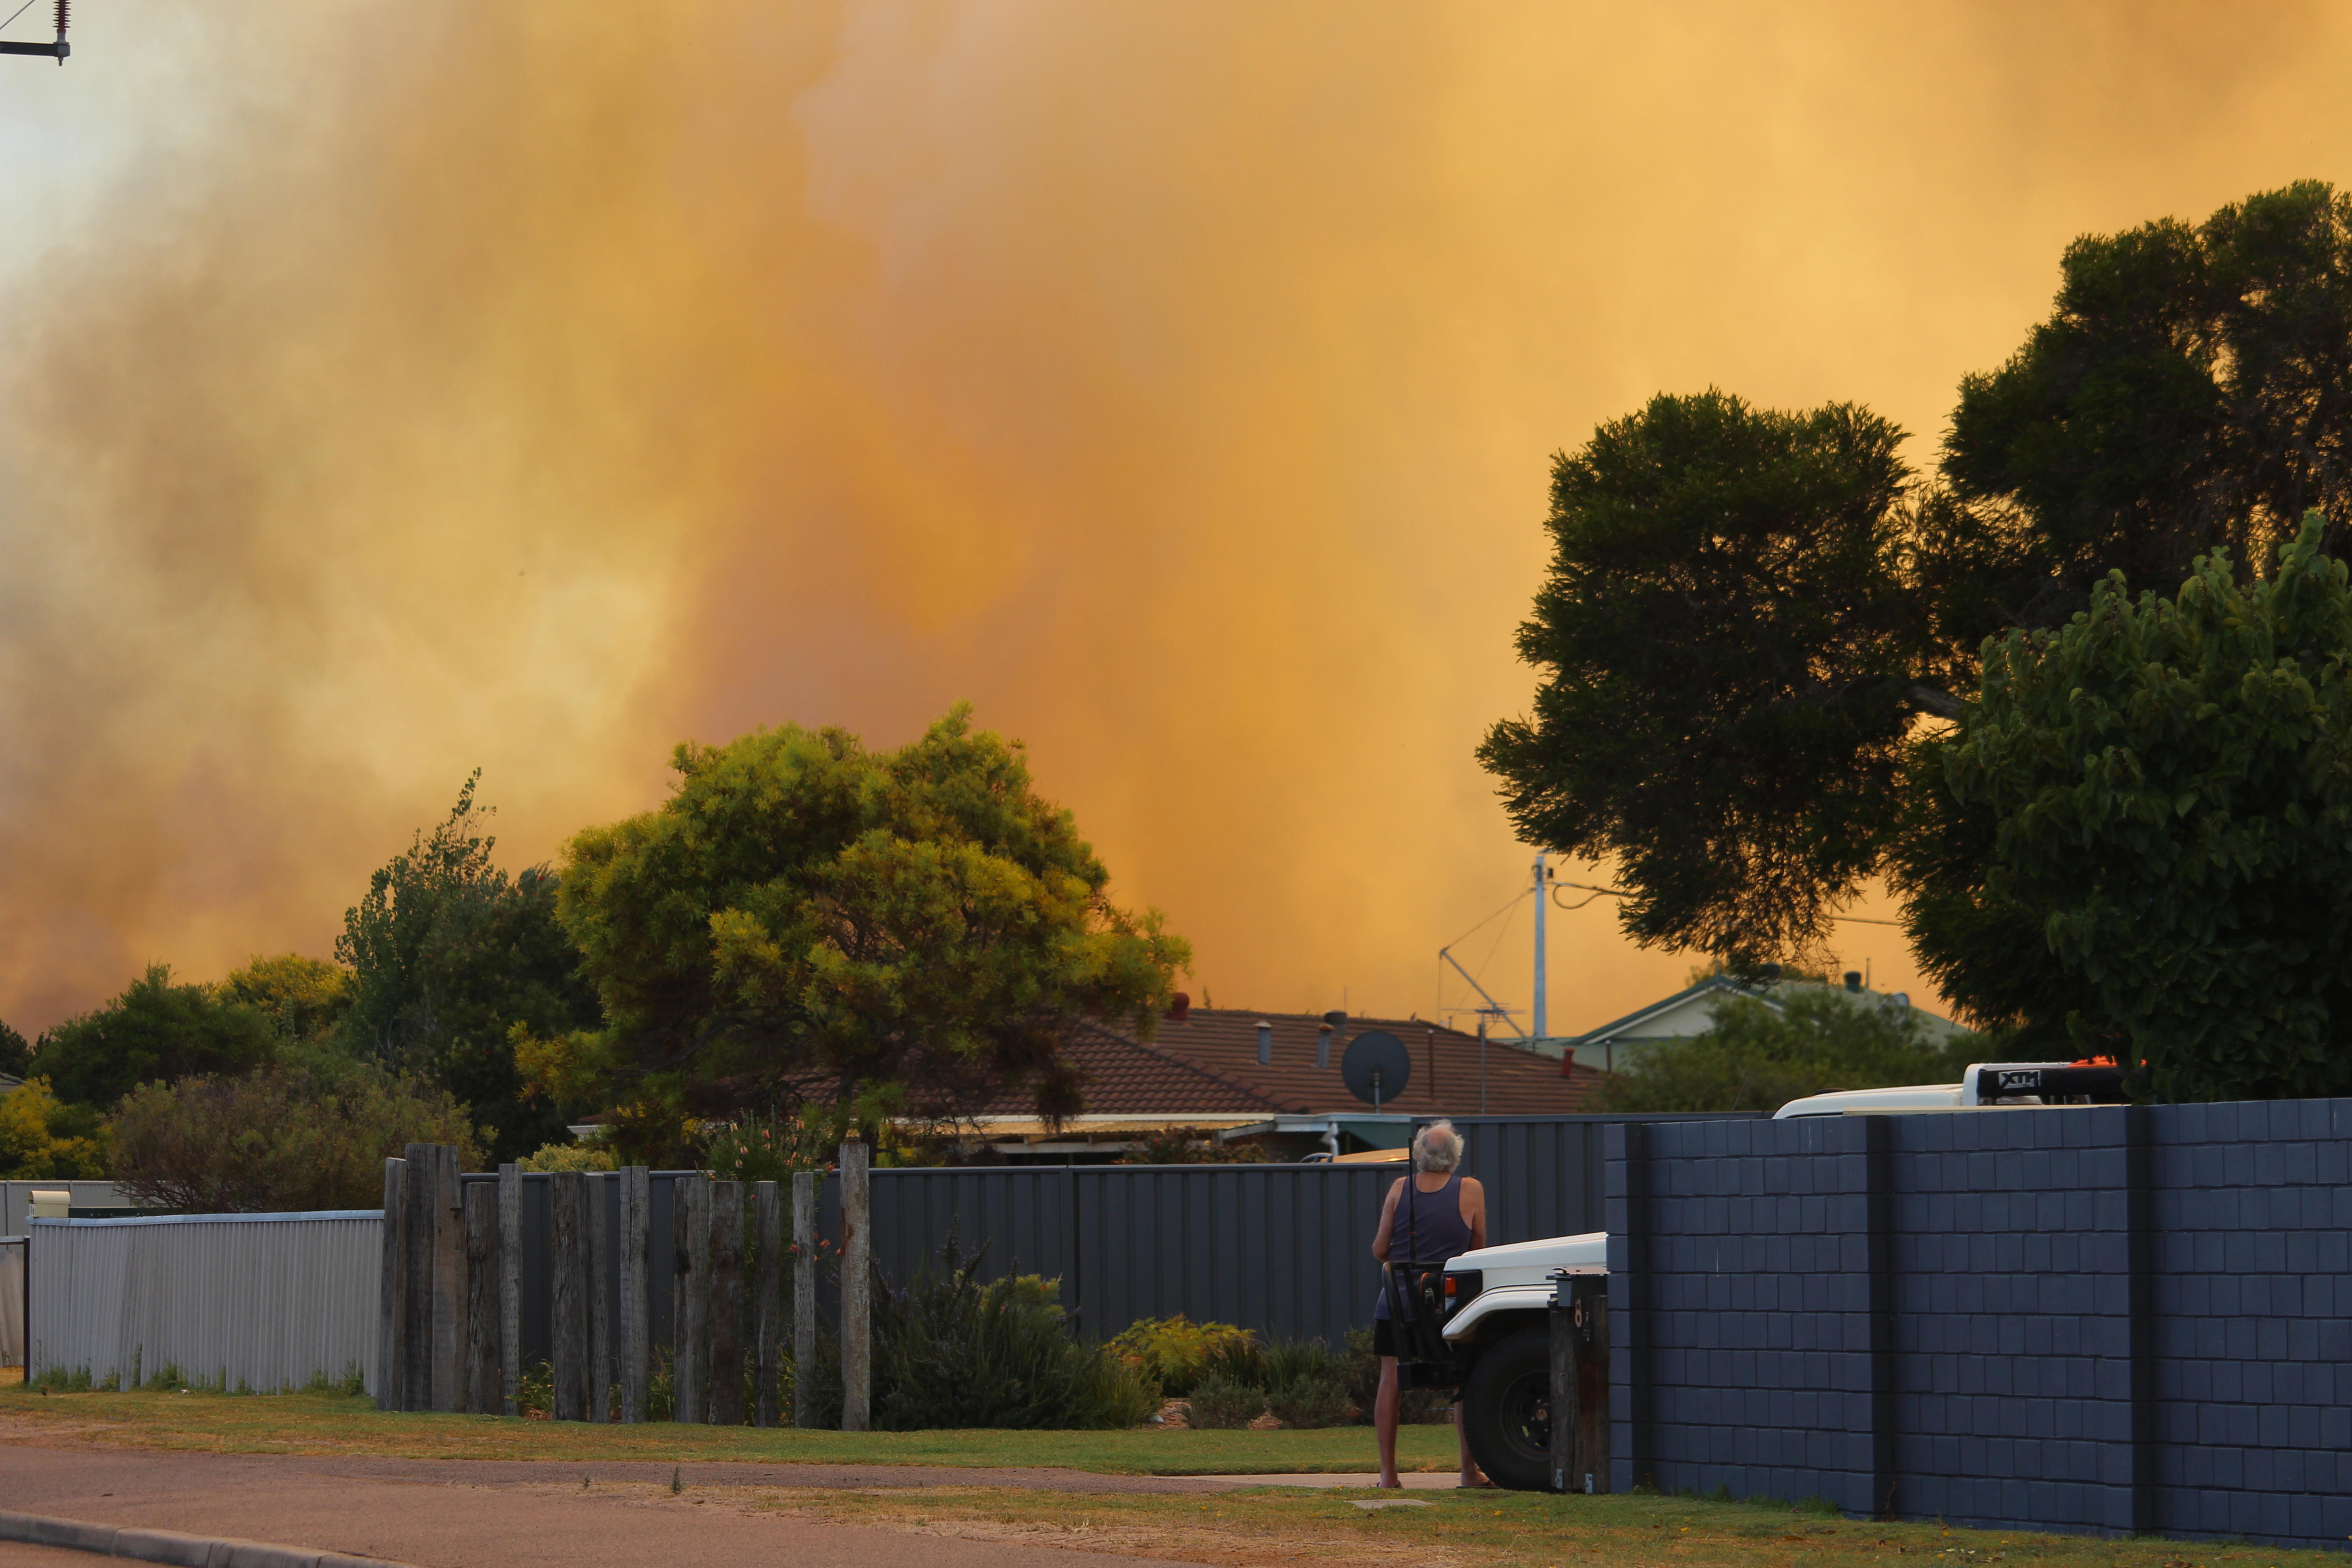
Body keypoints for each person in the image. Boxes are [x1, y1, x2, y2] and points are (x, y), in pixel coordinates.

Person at [1368, 1118, 1487, 1488]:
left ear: (1418, 1153)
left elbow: (1380, 1250)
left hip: (1398, 1307)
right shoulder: (1471, 1189)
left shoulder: (1399, 1187)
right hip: (1449, 1307)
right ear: (1456, 1155)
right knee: (1464, 1380)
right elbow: (1478, 1250)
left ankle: (1388, 1475)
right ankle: (1469, 1471)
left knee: (1391, 1380)